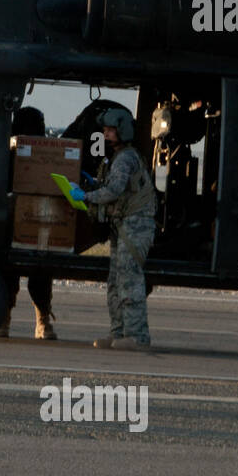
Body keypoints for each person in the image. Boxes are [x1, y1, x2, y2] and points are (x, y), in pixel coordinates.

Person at [68, 109, 156, 349]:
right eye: (104, 130)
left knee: (130, 280)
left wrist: (86, 195)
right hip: (124, 225)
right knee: (116, 281)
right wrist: (94, 185)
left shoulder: (126, 158)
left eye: (109, 130)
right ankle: (119, 333)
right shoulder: (119, 158)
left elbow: (114, 191)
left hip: (134, 226)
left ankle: (137, 336)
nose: (105, 134)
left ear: (122, 131)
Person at [9, 105, 58, 340]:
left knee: (19, 273)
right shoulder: (12, 149)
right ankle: (41, 322)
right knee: (35, 274)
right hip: (31, 219)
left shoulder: (42, 153)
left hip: (33, 218)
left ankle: (39, 321)